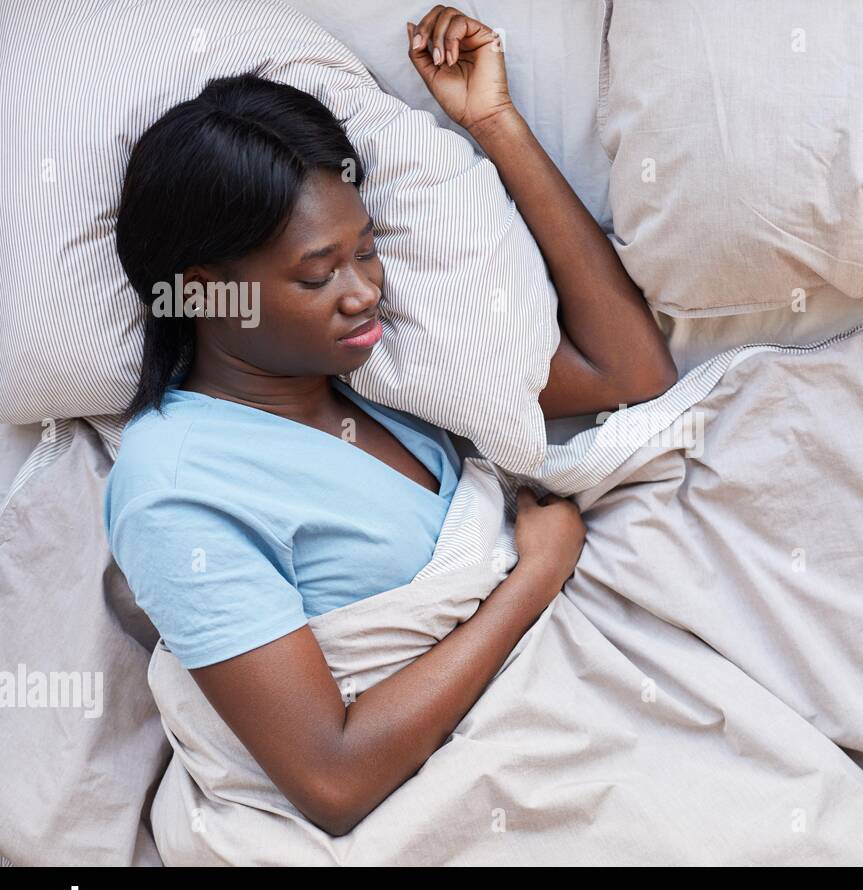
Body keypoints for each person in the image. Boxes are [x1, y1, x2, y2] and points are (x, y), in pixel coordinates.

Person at [106, 5, 677, 837]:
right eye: (317, 274)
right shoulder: (175, 487)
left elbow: (632, 372)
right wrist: (532, 581)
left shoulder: (384, 369)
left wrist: (495, 125)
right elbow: (332, 781)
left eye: (366, 250)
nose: (365, 291)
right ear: (203, 292)